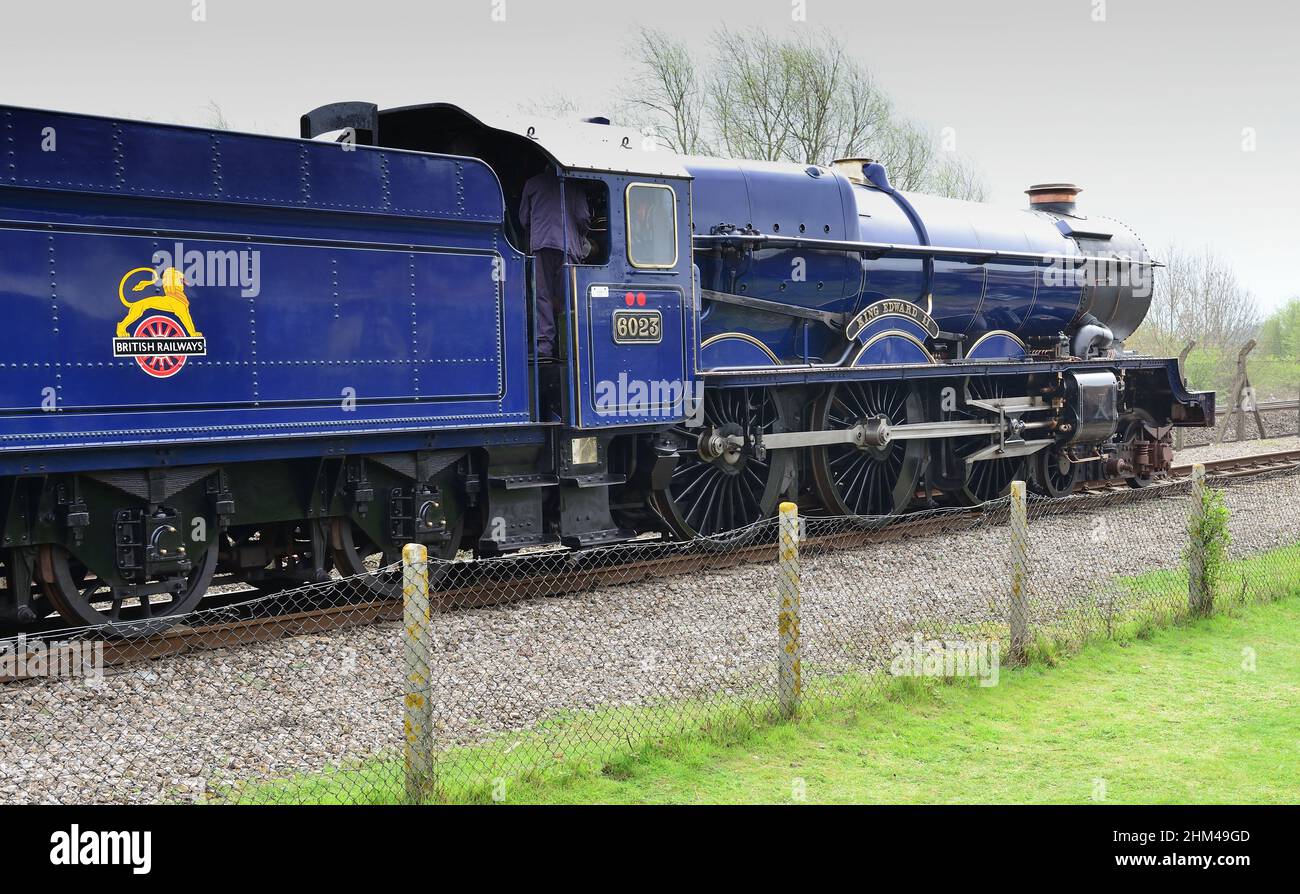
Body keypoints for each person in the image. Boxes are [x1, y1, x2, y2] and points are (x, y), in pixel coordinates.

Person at [518, 170, 590, 360]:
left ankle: (544, 348)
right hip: (568, 247)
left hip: (541, 245)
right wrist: (581, 236)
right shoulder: (573, 185)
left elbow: (524, 219)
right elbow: (583, 218)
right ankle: (569, 346)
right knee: (568, 298)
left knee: (543, 296)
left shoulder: (532, 183)